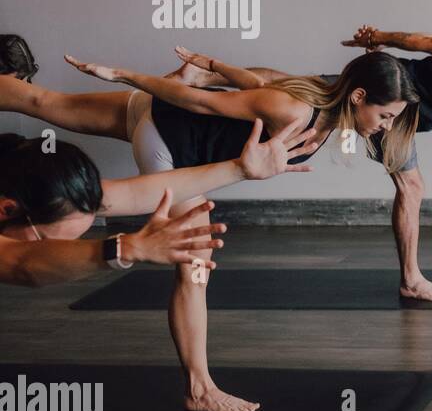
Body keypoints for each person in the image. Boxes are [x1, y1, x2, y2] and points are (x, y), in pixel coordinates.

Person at [0, 47, 418, 411]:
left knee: (45, 101)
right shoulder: (297, 110)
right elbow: (202, 104)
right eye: (385, 116)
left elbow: (258, 79)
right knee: (195, 265)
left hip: (153, 113)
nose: (385, 126)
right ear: (359, 97)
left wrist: (211, 68)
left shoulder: (316, 96)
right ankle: (199, 389)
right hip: (171, 142)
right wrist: (126, 75)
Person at [164, 7, 432, 301]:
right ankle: (412, 279)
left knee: (294, 87)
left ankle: (204, 74)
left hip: (398, 114)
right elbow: (426, 42)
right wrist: (378, 38)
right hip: (391, 106)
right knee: (407, 181)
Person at [0, 122, 316, 287]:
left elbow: (143, 192)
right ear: (8, 209)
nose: (58, 254)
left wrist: (240, 169)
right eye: (49, 243)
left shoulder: (47, 190)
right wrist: (127, 248)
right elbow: (21, 263)